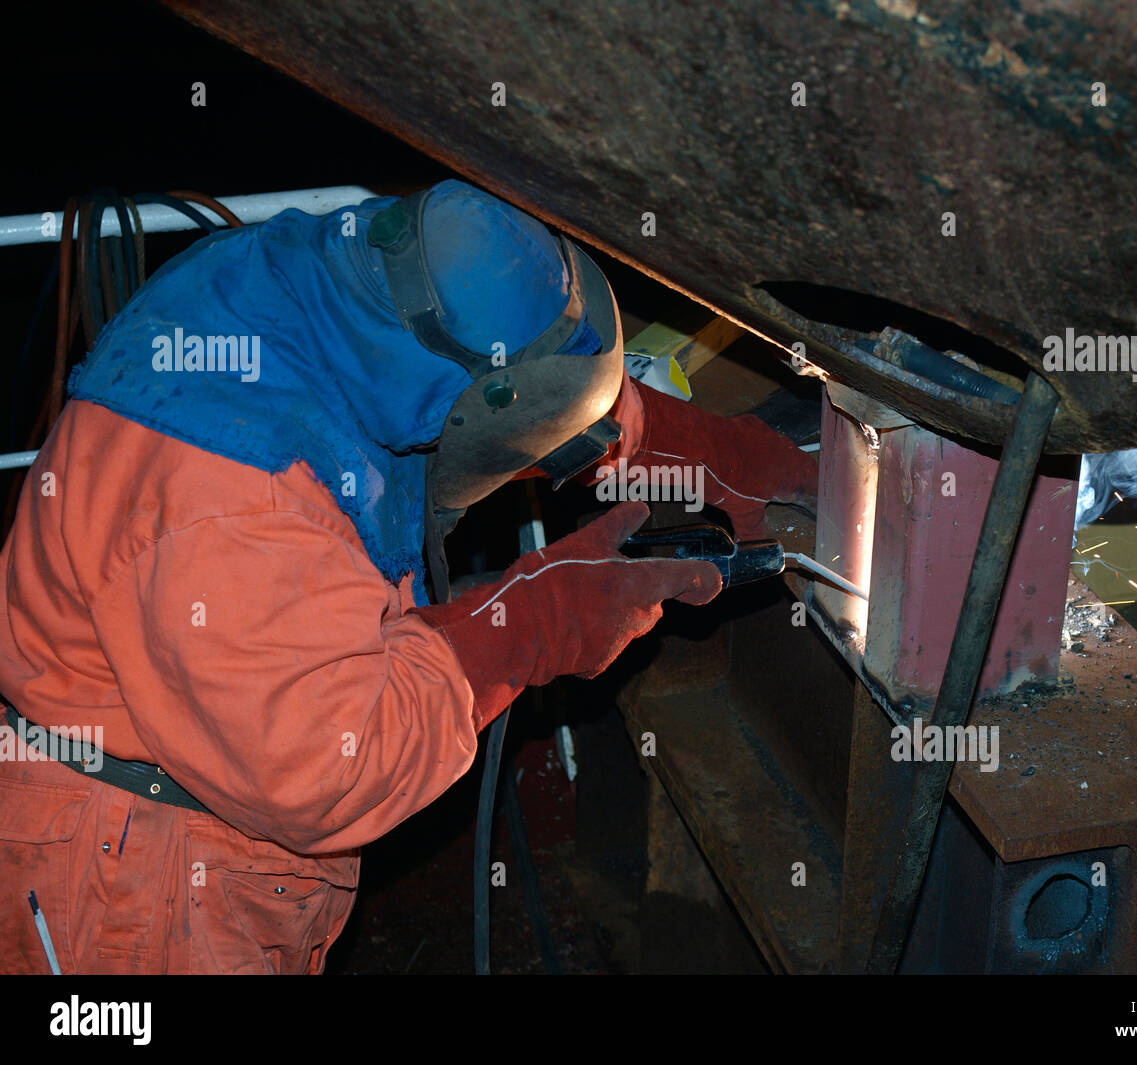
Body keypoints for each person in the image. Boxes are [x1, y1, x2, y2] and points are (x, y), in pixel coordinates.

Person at [0, 180, 816, 974]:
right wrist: (534, 621)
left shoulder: (347, 284)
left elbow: (539, 375)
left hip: (209, 757)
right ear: (456, 399)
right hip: (135, 878)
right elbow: (328, 771)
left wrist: (730, 459)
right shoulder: (234, 514)